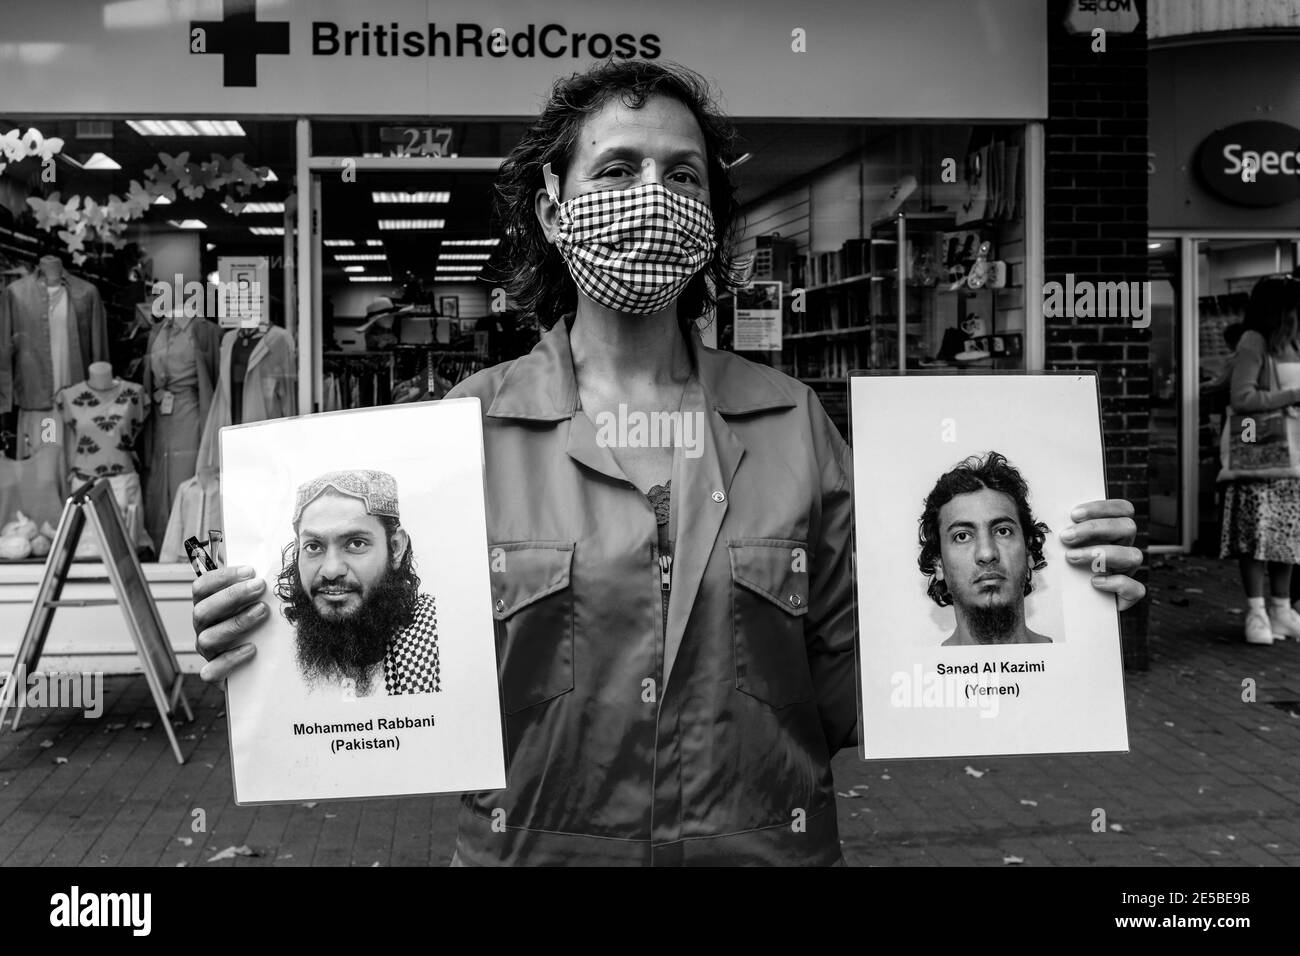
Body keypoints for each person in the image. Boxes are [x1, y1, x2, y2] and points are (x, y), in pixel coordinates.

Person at [192, 59, 1145, 866]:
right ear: (555, 209)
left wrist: (1057, 591)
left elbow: (867, 684)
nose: (653, 196)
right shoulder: (461, 434)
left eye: (683, 176)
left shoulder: (793, 424)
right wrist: (269, 641)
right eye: (617, 169)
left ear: (711, 221)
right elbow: (399, 676)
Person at [276, 469, 440, 697]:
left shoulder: (437, 642)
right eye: (313, 546)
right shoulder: (273, 651)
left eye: (356, 543)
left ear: (395, 548)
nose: (331, 570)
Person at [1219, 275, 1300, 645]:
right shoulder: (1255, 342)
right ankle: (1257, 611)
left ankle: (1282, 609)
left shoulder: (1295, 342)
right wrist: (1292, 395)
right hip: (1263, 454)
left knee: (1289, 534)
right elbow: (1242, 399)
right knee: (1257, 535)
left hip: (1295, 457)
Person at [918, 451, 1054, 646]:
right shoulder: (925, 672)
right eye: (962, 536)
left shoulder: (1073, 665)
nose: (987, 553)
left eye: (1003, 531)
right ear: (938, 563)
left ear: (1029, 550)